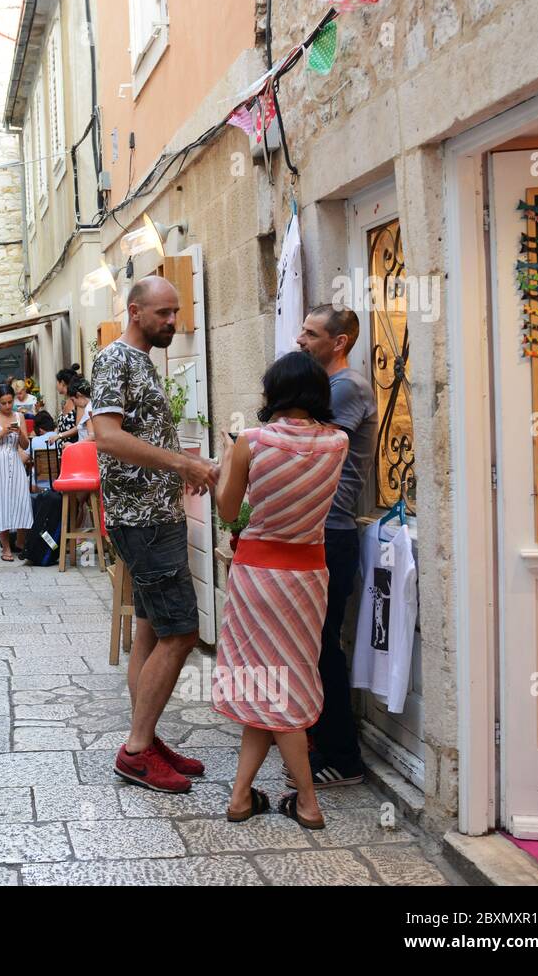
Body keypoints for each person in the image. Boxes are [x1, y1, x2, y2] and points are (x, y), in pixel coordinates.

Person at [91, 275, 220, 793]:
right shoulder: (116, 359)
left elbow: (138, 436)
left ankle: (145, 736)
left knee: (149, 630)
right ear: (135, 311)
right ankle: (137, 751)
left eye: (176, 311)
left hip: (153, 516)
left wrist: (182, 468)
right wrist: (181, 464)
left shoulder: (140, 361)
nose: (173, 321)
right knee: (182, 631)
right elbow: (106, 436)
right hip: (142, 521)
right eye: (163, 313)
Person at [213, 351, 348, 830]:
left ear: (275, 393)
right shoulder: (337, 443)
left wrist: (226, 462)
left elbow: (229, 511)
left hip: (256, 576)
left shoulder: (251, 441)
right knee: (276, 681)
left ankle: (307, 801)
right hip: (308, 577)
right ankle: (240, 795)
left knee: (270, 684)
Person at [295, 303, 378, 788]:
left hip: (333, 531)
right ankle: (321, 742)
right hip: (323, 529)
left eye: (310, 334)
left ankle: (343, 757)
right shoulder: (333, 386)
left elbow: (321, 448)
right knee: (316, 643)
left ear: (338, 342)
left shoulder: (346, 387)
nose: (300, 341)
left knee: (324, 645)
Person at [0, 383, 34, 560]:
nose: (7, 406)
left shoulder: (19, 416)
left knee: (22, 501)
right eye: (3, 403)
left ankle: (20, 542)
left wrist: (19, 432)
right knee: (0, 503)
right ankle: (5, 547)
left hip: (15, 460)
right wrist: (1, 433)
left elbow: (26, 445)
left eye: (9, 402)